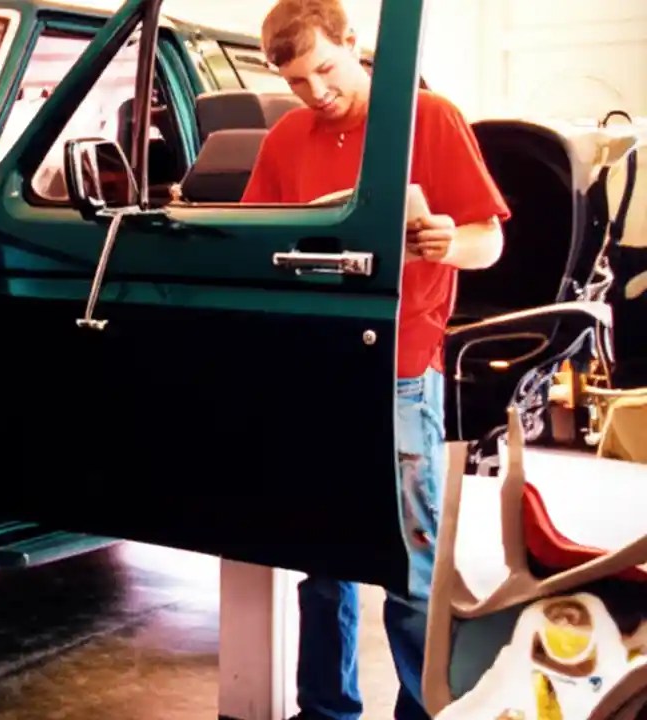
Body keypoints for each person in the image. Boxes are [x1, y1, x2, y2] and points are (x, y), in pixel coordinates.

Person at [238, 1, 512, 718]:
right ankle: (326, 710)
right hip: (316, 367)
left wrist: (447, 241)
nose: (316, 92)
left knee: (410, 565)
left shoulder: (429, 119)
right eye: (297, 82)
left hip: (401, 371)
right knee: (323, 564)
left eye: (325, 69)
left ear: (353, 44)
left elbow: (488, 241)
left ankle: (424, 710)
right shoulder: (286, 137)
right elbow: (254, 239)